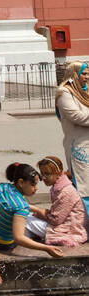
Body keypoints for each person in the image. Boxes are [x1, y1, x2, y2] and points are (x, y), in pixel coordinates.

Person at [0, 163, 64, 259]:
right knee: (28, 226)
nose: (36, 188)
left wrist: (36, 209)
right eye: (33, 184)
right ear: (21, 183)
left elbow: (12, 204)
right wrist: (47, 248)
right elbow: (19, 238)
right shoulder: (21, 208)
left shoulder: (2, 187)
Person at [25, 155, 88, 246]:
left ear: (58, 173)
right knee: (27, 216)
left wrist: (37, 210)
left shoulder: (65, 191)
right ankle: (29, 239)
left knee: (25, 220)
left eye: (47, 174)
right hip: (67, 225)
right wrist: (40, 213)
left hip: (70, 231)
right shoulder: (60, 187)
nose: (44, 177)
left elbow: (56, 220)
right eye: (42, 173)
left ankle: (25, 243)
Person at [55, 62, 89, 219]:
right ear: (74, 74)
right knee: (85, 185)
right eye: (84, 74)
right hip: (79, 146)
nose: (87, 77)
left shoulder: (85, 91)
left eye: (88, 74)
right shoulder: (64, 93)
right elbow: (76, 116)